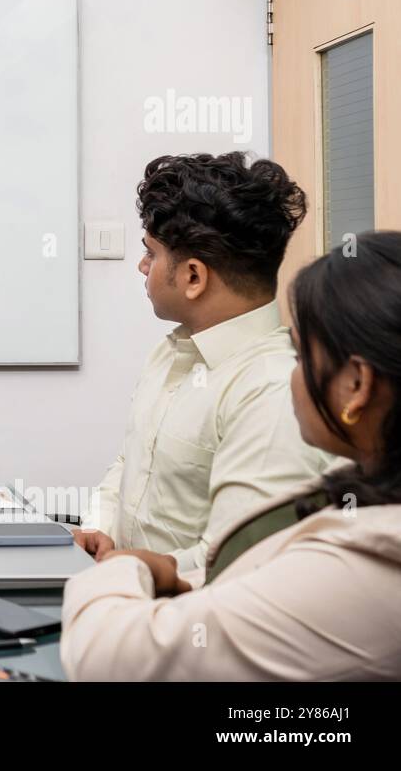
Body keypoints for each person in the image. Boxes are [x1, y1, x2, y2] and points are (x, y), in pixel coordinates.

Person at [62, 231, 401, 680]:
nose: (290, 372)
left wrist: (121, 570)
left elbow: (107, 658)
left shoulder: (368, 560)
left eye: (299, 354)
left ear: (356, 385)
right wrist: (136, 555)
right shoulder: (169, 355)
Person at [72, 153, 336, 574]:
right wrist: (99, 530)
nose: (142, 266)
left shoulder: (270, 392)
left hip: (187, 619)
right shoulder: (173, 350)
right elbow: (127, 466)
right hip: (125, 591)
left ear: (194, 277)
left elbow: (238, 562)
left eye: (151, 254)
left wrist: (133, 570)